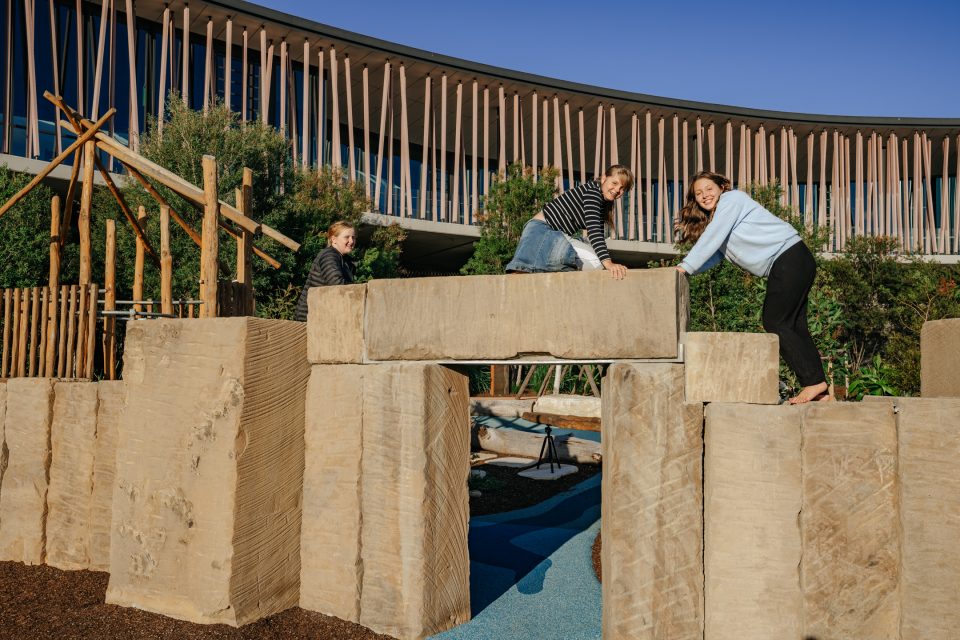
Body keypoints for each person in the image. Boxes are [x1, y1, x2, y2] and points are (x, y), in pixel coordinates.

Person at [674, 171, 829, 404]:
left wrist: (683, 267)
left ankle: (813, 382)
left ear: (721, 187)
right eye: (698, 193)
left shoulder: (732, 200)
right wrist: (688, 271)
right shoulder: (721, 217)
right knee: (794, 325)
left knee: (775, 321)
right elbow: (715, 255)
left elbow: (712, 238)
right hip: (794, 260)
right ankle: (820, 391)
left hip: (788, 257)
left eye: (708, 188)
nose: (704, 195)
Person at [505, 165, 633, 280]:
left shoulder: (600, 199)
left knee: (596, 258)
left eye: (622, 188)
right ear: (604, 178)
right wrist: (609, 263)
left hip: (543, 233)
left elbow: (596, 234)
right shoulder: (593, 193)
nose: (617, 190)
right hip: (543, 233)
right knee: (596, 263)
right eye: (614, 183)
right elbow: (594, 232)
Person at [294, 221, 357, 322]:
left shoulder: (346, 260)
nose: (351, 241)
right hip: (309, 320)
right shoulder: (329, 255)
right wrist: (360, 290)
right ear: (334, 239)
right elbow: (336, 284)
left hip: (323, 317)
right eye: (347, 237)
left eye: (353, 237)